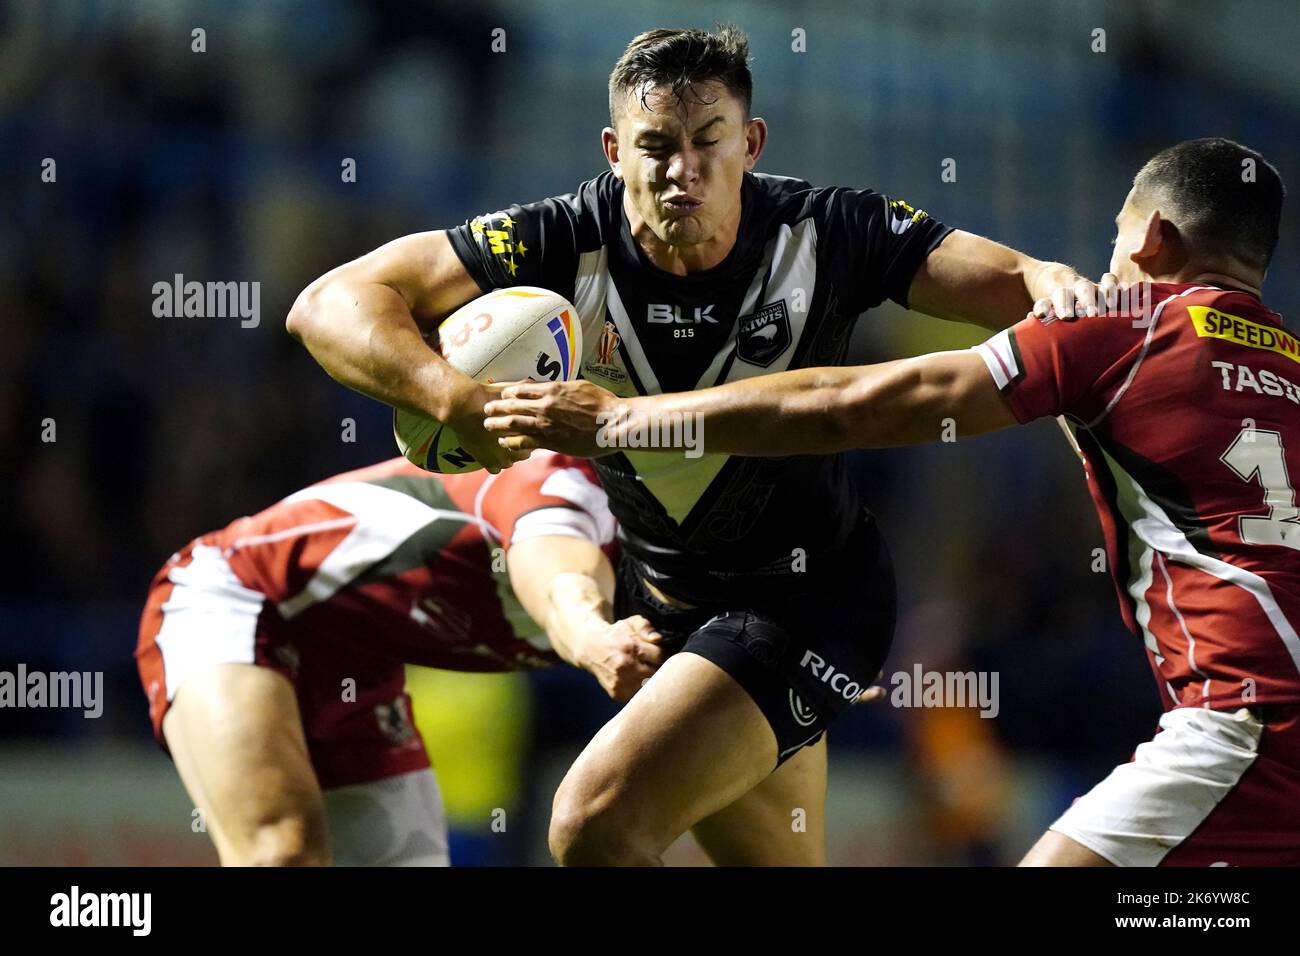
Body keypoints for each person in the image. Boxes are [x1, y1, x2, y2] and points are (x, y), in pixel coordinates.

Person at [286, 25, 1107, 866]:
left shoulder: (829, 230)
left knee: (591, 822)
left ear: (750, 143)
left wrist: (1050, 281)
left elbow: (1014, 283)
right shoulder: (558, 241)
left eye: (708, 142)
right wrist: (456, 400)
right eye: (655, 146)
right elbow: (327, 304)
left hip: (810, 603)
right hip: (671, 614)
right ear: (613, 150)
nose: (683, 170)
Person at [487, 138, 1300, 866]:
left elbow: (856, 405)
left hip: (1245, 726)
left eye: (1117, 238)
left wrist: (624, 419)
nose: (1107, 263)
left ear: (1152, 237)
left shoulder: (1128, 327)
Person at [135, 451, 661, 865]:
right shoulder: (561, 482)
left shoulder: (705, 594)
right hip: (232, 592)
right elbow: (561, 584)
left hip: (359, 659)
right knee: (281, 853)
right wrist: (593, 637)